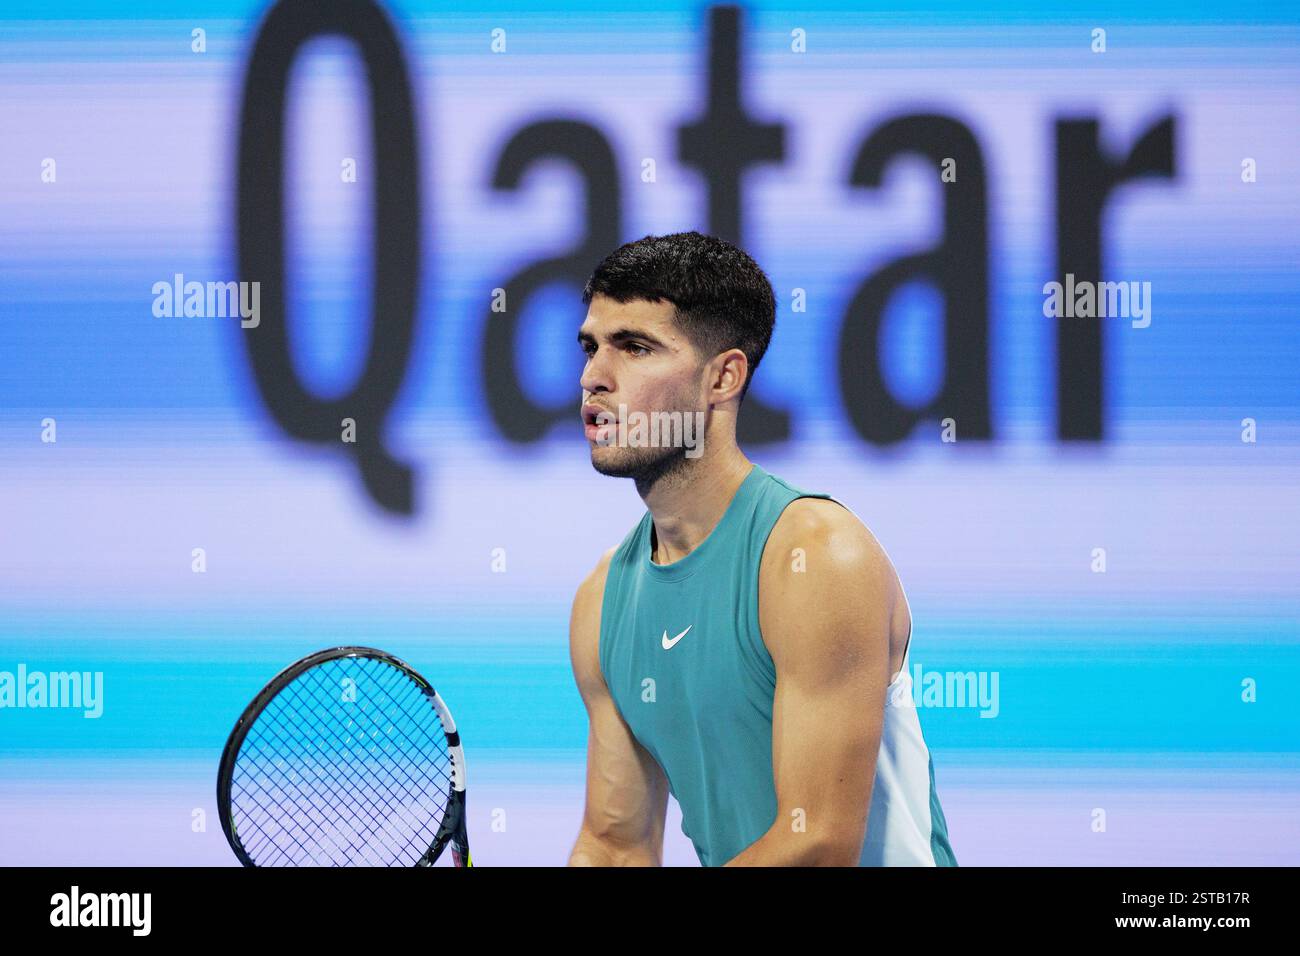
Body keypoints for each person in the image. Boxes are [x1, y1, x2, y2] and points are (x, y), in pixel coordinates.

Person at [566, 231, 957, 866]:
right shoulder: (602, 600)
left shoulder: (817, 556)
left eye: (634, 347)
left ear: (723, 376)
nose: (593, 378)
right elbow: (616, 845)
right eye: (590, 347)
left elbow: (819, 844)